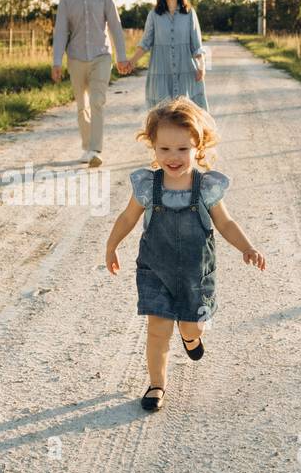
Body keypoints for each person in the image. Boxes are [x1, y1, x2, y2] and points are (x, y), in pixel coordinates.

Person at [103, 97, 265, 412]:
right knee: (157, 330)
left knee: (192, 326)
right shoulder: (148, 186)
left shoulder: (205, 187)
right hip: (156, 272)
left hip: (195, 275)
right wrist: (112, 245)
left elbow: (225, 222)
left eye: (182, 149)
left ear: (198, 147)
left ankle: (190, 338)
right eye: (164, 149)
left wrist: (247, 247)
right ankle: (156, 385)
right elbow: (127, 218)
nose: (173, 157)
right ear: (153, 146)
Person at [51, 0, 133, 167]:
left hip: (101, 56)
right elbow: (60, 32)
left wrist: (122, 56)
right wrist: (56, 61)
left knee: (97, 101)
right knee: (82, 106)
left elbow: (115, 26)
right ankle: (87, 147)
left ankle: (96, 150)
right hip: (76, 58)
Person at [127, 0, 208, 111]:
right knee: (162, 115)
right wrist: (132, 61)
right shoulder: (153, 14)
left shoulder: (189, 13)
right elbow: (146, 42)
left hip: (186, 70)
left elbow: (197, 45)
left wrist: (202, 65)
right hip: (161, 70)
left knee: (187, 114)